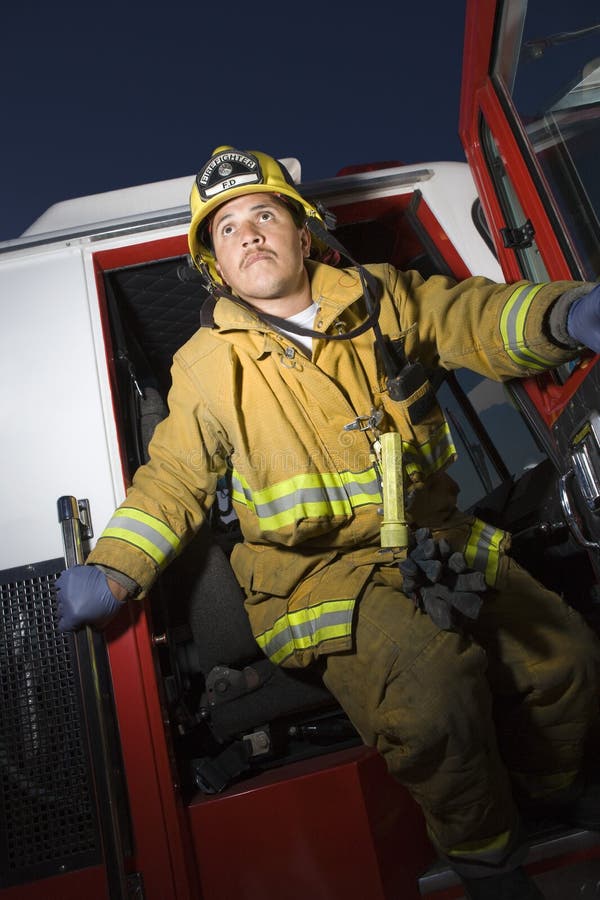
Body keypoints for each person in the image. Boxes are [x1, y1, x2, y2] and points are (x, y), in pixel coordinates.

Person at [56, 146, 600, 900]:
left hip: (437, 546)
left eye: (264, 214)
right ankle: (491, 865)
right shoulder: (206, 367)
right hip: (319, 579)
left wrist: (562, 313)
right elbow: (174, 477)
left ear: (303, 232)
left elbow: (472, 315)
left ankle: (548, 794)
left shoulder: (382, 297)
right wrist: (117, 565)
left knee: (566, 660)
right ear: (214, 263)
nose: (248, 235)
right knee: (432, 695)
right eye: (226, 230)